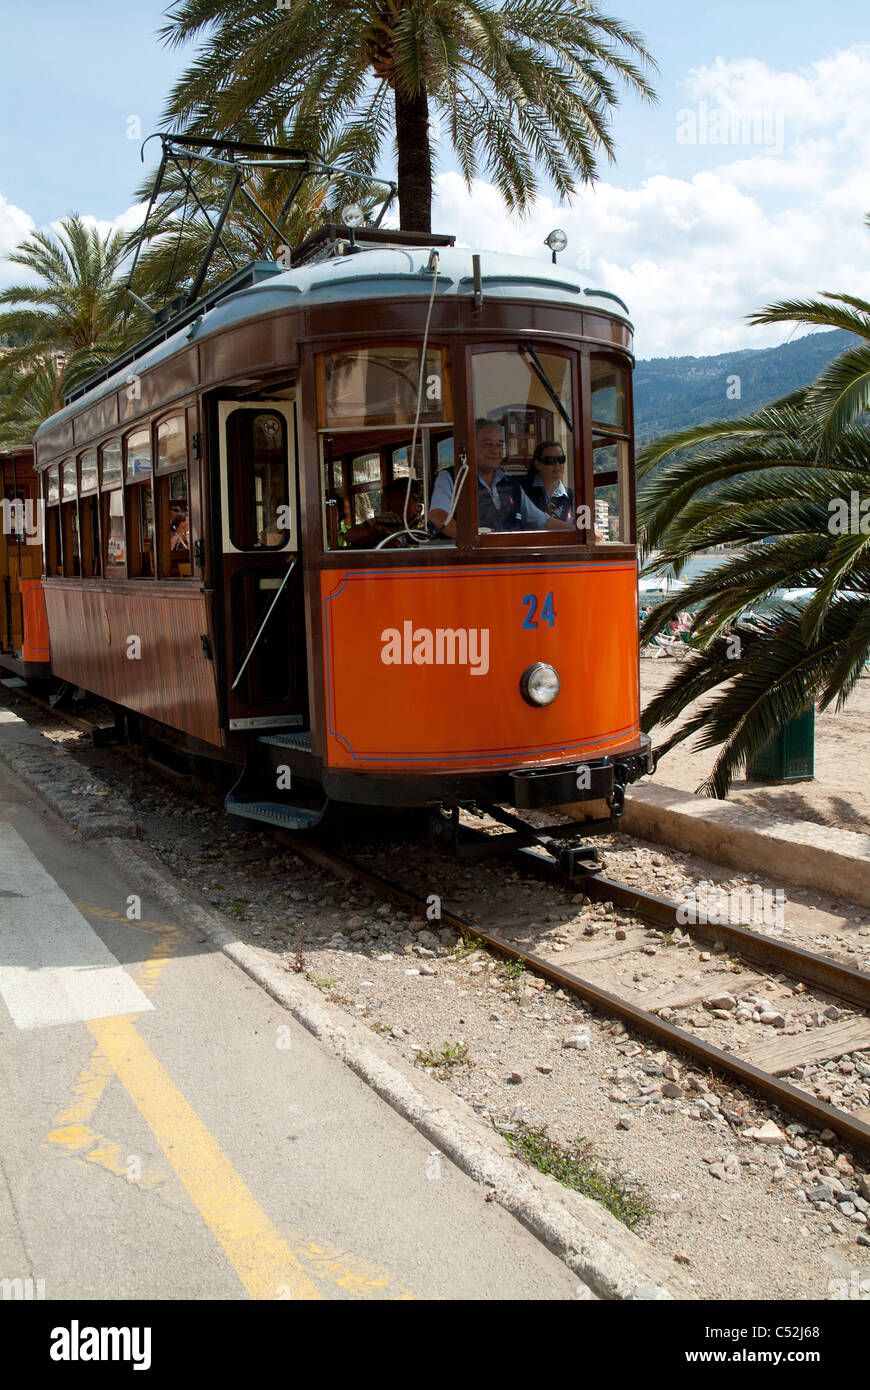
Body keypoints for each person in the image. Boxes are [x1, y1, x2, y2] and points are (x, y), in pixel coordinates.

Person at [428, 422, 574, 537]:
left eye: (499, 445)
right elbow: (438, 516)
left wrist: (579, 532)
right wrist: (476, 540)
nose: (495, 450)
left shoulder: (511, 485)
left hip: (509, 565)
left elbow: (542, 521)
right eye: (487, 444)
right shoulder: (450, 477)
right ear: (471, 446)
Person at [521, 440, 575, 522]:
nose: (557, 465)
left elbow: (587, 525)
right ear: (538, 464)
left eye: (561, 459)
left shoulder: (573, 497)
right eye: (550, 460)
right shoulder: (522, 491)